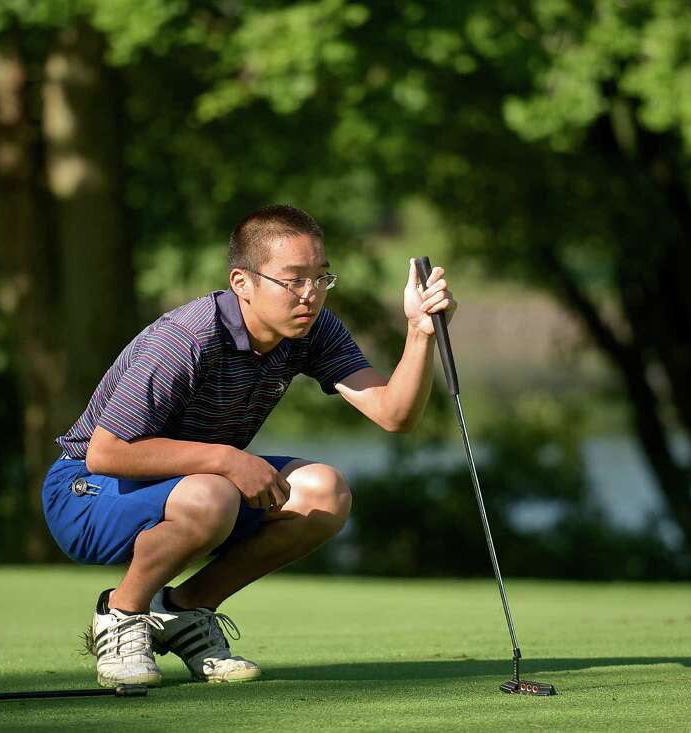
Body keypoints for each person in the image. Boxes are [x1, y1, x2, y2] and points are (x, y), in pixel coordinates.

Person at [41, 204, 456, 687]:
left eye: (321, 278)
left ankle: (184, 610)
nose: (310, 295)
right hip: (84, 492)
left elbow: (394, 413)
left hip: (193, 486)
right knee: (213, 492)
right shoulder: (186, 339)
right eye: (293, 280)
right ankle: (120, 615)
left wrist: (419, 332)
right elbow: (105, 453)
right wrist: (226, 459)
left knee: (325, 493)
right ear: (242, 282)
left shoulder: (312, 329)